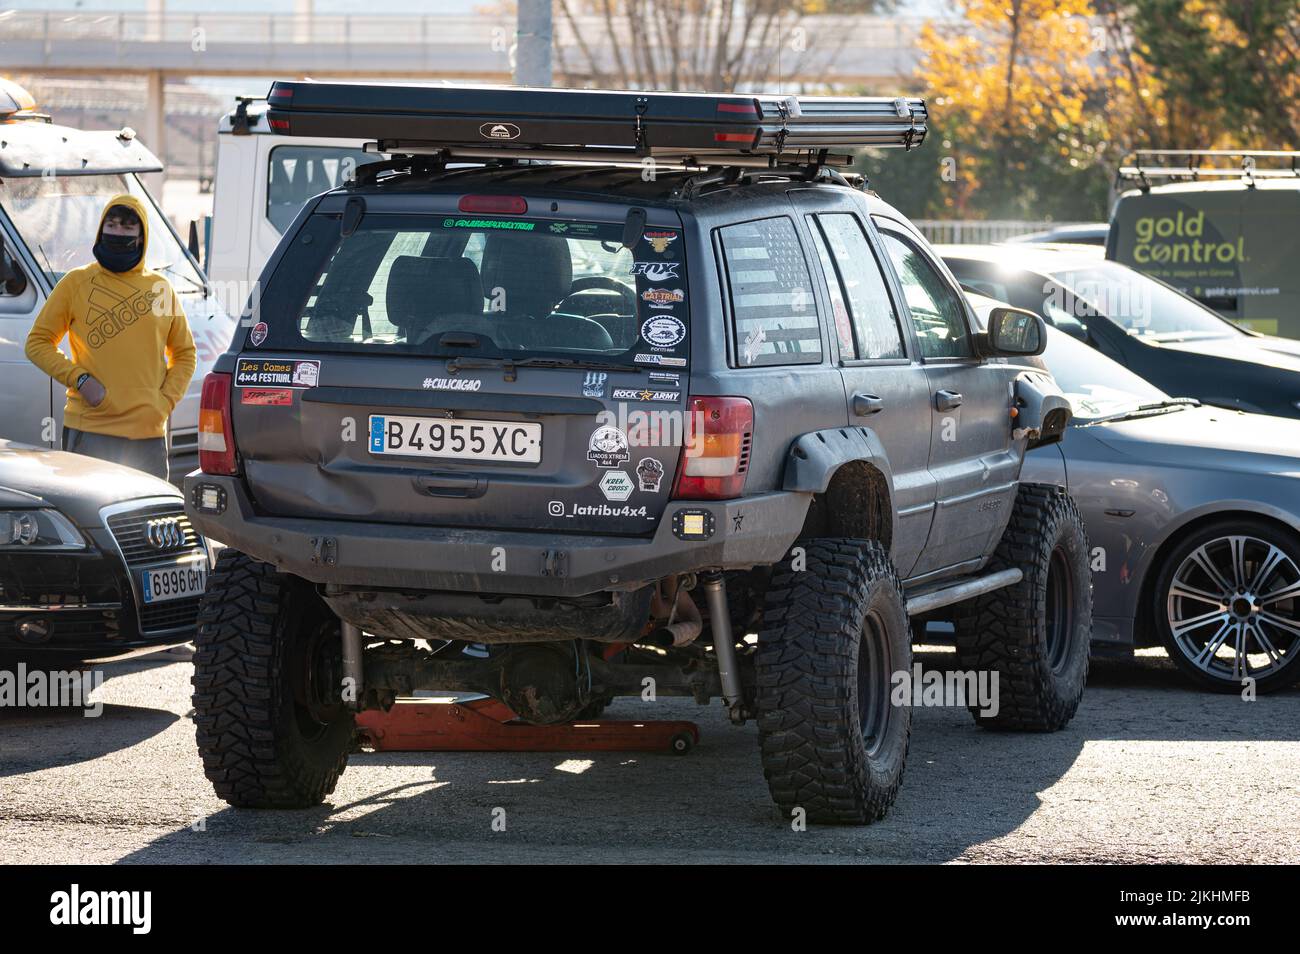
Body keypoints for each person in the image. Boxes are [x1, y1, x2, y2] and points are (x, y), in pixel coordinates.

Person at [25, 194, 196, 481]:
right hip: (90, 430)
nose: (118, 233)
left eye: (128, 228)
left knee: (145, 523)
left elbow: (185, 354)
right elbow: (37, 342)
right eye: (112, 225)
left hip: (147, 436)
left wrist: (164, 402)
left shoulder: (160, 288)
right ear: (101, 229)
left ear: (141, 237)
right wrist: (80, 379)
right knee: (85, 523)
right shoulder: (76, 282)